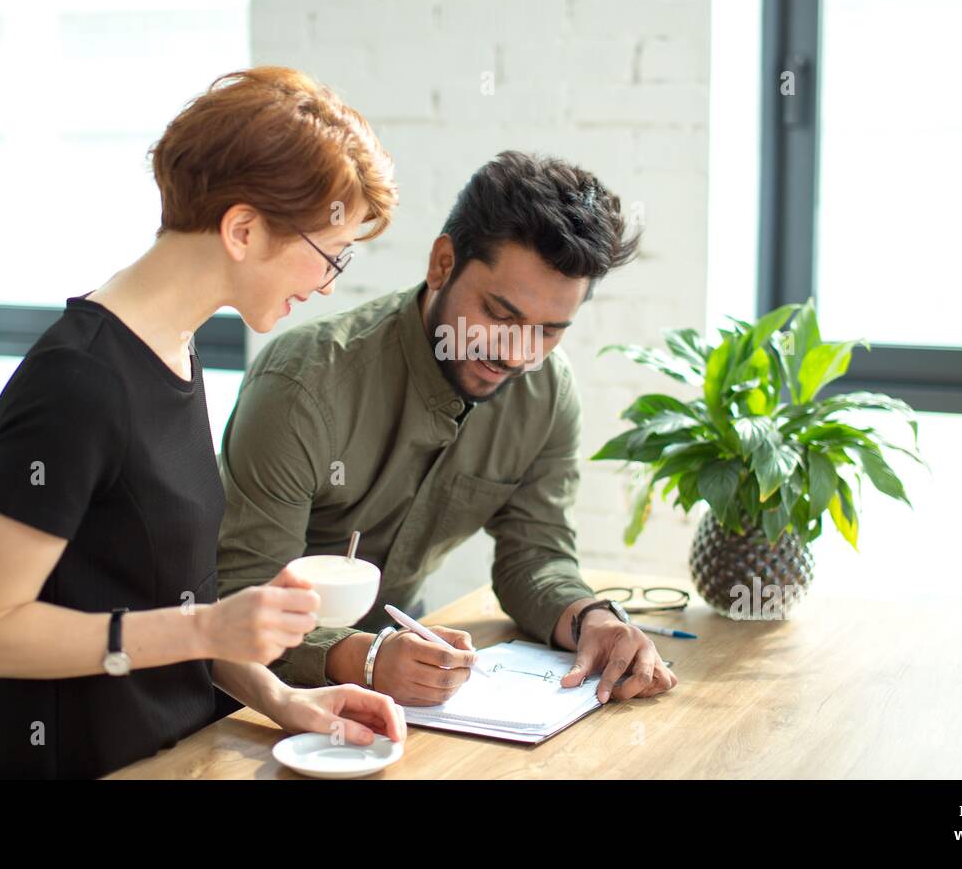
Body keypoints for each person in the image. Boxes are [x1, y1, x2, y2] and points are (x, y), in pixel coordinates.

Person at [0, 67, 406, 779]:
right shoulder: (76, 383)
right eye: (327, 255)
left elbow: (164, 600)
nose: (327, 286)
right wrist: (207, 626)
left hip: (184, 756)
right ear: (242, 229)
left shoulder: (175, 350)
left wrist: (283, 697)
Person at [216, 150, 679, 710]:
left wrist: (590, 619)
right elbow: (241, 596)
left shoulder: (547, 394)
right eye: (500, 315)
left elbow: (535, 554)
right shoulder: (304, 387)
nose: (517, 353)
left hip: (409, 700)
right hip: (254, 705)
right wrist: (363, 657)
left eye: (550, 331)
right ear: (442, 264)